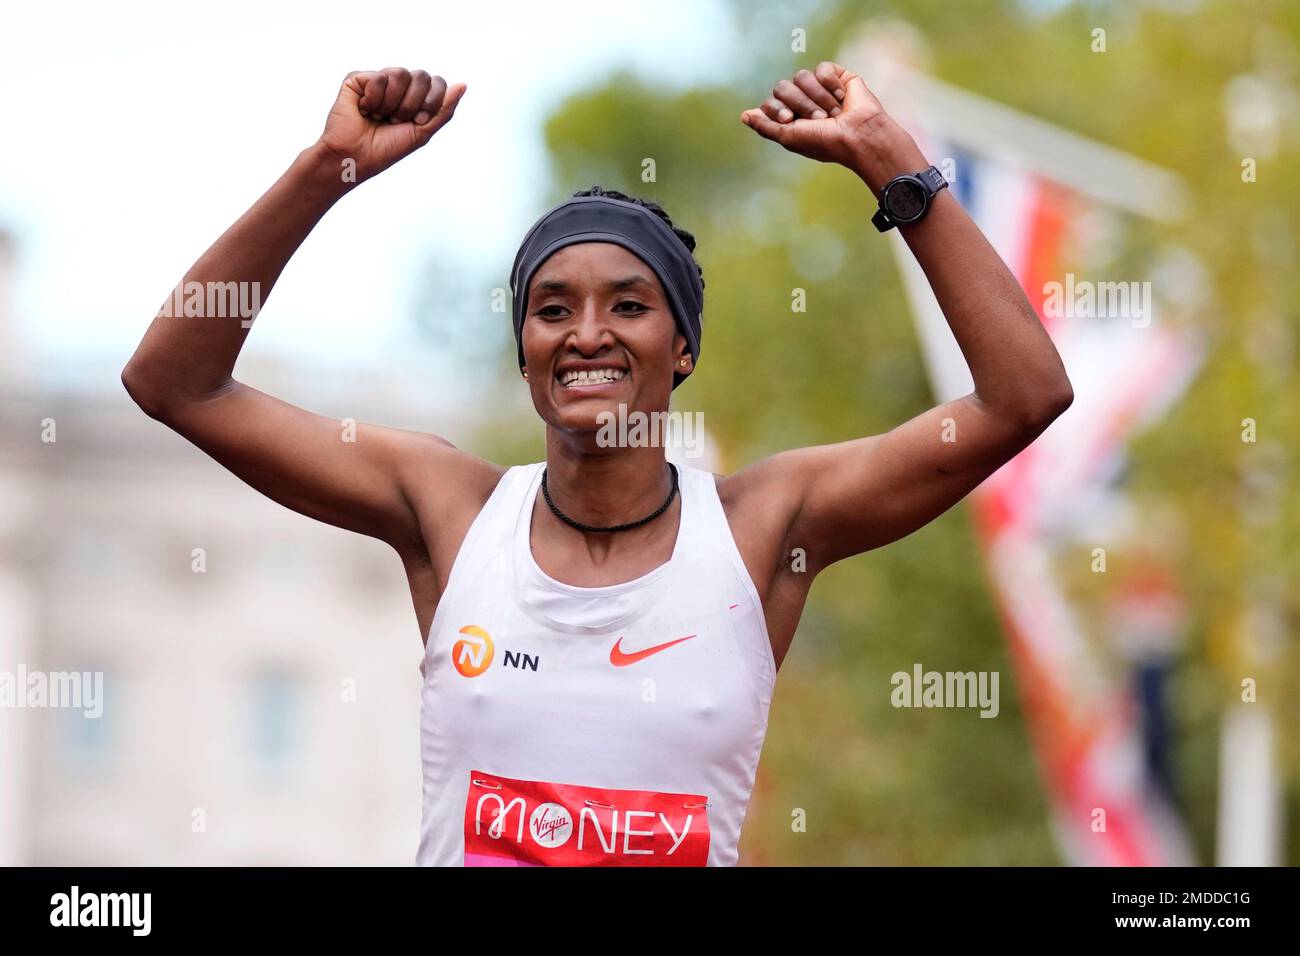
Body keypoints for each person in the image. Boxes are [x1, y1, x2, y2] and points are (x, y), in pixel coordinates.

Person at [122, 63, 1073, 866]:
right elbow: (176, 382)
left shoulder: (763, 528)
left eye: (628, 305)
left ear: (683, 348)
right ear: (523, 349)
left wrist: (896, 168)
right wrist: (325, 170)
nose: (587, 334)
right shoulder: (447, 508)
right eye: (551, 308)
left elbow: (1022, 397)